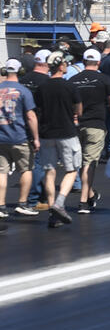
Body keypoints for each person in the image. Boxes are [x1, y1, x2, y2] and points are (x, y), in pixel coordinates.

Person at [36, 53, 83, 227]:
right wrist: (75, 113)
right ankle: (59, 203)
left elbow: (38, 109)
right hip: (67, 132)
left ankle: (52, 213)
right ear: (61, 66)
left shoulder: (42, 87)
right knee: (71, 170)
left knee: (50, 171)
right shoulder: (69, 86)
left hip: (47, 133)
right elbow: (79, 109)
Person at [69, 48, 110, 214]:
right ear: (98, 62)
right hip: (96, 124)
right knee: (89, 163)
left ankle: (90, 194)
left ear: (83, 61)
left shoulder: (73, 80)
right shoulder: (105, 79)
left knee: (81, 162)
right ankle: (83, 202)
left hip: (76, 126)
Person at [0, 59, 39, 217]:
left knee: (1, 172)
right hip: (19, 136)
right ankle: (22, 203)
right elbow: (30, 116)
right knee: (26, 169)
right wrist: (36, 138)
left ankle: (1, 205)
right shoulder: (24, 90)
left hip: (1, 136)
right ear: (20, 71)